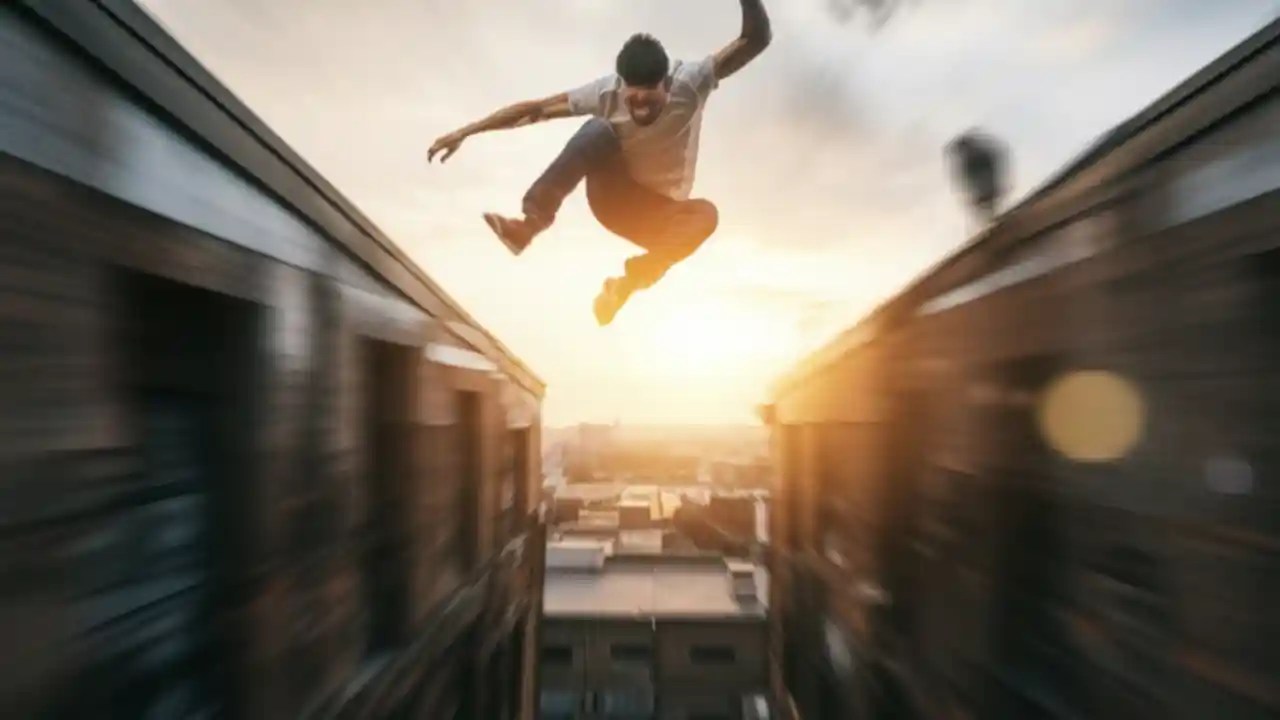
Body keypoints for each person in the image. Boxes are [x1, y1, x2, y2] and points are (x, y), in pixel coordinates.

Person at [428, 1, 772, 326]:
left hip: (661, 216)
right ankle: (529, 226)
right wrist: (466, 131)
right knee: (599, 130)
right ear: (621, 83)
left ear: (667, 84)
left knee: (706, 215)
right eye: (630, 91)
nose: (637, 100)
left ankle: (628, 283)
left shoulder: (693, 81)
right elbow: (534, 111)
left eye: (648, 92)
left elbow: (755, 39)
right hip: (614, 201)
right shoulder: (606, 94)